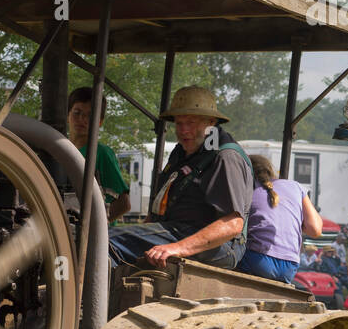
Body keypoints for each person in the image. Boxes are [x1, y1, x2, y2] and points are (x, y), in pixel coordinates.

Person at [107, 86, 253, 269]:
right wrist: (142, 231)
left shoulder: (225, 157)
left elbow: (232, 224)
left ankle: (89, 296)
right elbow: (157, 212)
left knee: (106, 240)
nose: (183, 130)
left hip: (221, 247)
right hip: (176, 231)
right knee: (102, 238)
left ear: (211, 122)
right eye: (179, 123)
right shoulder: (181, 152)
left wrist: (177, 248)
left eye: (191, 123)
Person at [237, 155, 324, 284]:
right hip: (289, 267)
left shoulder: (248, 191)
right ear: (271, 170)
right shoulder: (296, 187)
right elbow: (315, 230)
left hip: (257, 261)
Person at [67, 87, 130, 223]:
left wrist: (94, 228)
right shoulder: (59, 151)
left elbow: (123, 204)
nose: (82, 119)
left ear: (99, 122)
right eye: (77, 113)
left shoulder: (101, 153)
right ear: (68, 115)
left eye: (89, 116)